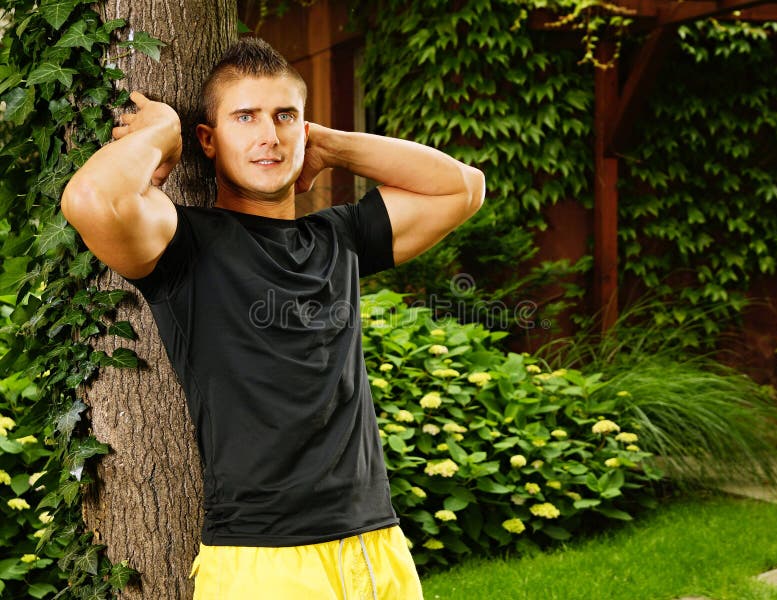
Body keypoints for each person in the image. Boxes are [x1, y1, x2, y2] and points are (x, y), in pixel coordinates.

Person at [60, 37, 484, 599]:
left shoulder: (341, 237)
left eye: (285, 116)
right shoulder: (184, 243)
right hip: (263, 561)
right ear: (207, 140)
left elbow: (463, 187)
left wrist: (328, 145)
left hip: (376, 548)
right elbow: (91, 198)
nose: (270, 135)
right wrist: (161, 134)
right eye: (246, 117)